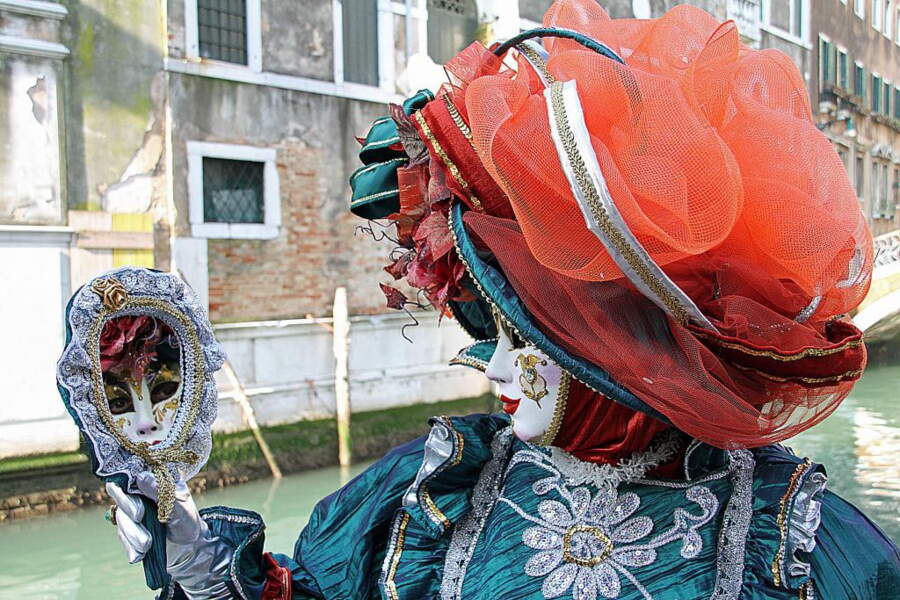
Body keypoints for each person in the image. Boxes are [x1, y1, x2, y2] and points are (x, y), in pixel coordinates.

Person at [107, 2, 900, 598]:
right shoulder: (430, 491)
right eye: (495, 326)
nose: (494, 365)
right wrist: (197, 561)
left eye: (530, 336)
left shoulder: (788, 531)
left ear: (613, 350)